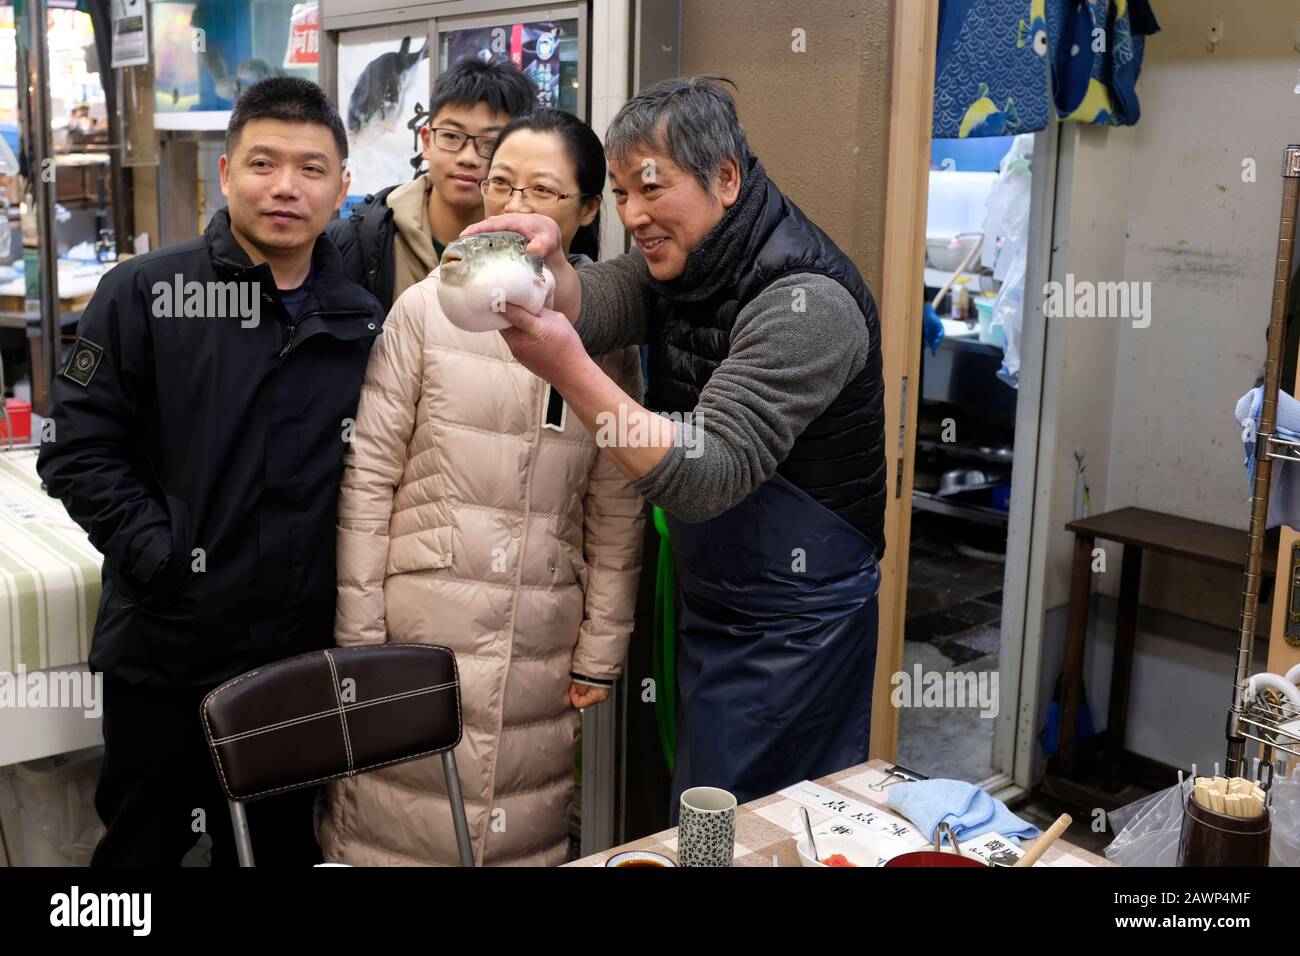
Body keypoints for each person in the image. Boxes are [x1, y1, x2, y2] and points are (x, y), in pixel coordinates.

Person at [464, 76, 888, 816]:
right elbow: (597, 303)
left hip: (796, 622)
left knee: (764, 823)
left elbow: (706, 473)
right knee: (705, 808)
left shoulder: (809, 303)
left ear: (727, 177)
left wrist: (566, 367)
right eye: (621, 193)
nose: (633, 216)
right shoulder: (688, 257)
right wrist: (550, 265)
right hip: (716, 588)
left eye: (650, 188)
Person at [36, 77, 385, 866]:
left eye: (311, 167)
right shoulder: (144, 293)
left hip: (298, 658)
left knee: (276, 848)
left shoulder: (361, 320)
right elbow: (74, 445)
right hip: (166, 647)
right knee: (140, 851)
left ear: (342, 186)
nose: (286, 186)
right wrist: (159, 556)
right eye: (264, 163)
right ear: (226, 173)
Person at [318, 108, 644, 866]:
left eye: (544, 191)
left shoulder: (604, 335)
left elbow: (616, 504)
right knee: (392, 825)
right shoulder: (425, 310)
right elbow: (369, 478)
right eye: (502, 185)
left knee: (520, 824)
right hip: (418, 622)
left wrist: (602, 645)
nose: (514, 207)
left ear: (589, 210)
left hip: (542, 636)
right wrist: (360, 641)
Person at [327, 58, 537, 309]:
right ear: (427, 142)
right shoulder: (358, 240)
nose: (467, 158)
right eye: (451, 136)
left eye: (490, 144)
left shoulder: (536, 246)